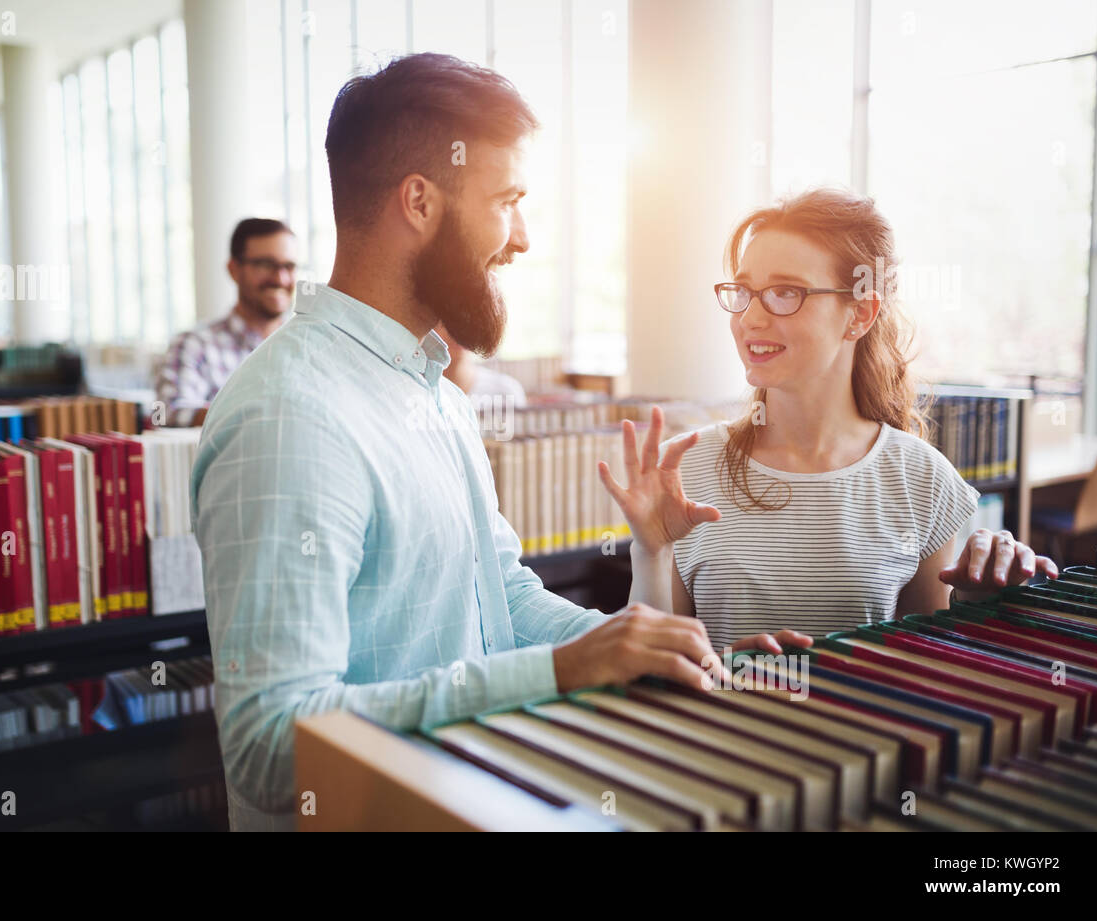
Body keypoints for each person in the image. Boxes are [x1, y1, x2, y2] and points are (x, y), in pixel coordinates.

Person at [189, 53, 806, 831]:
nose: (519, 238)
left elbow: (502, 600)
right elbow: (271, 745)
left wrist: (665, 648)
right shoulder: (289, 417)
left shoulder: (436, 396)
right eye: (507, 201)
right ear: (420, 201)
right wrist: (561, 669)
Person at [601, 188, 1058, 651]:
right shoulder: (687, 467)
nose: (750, 318)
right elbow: (653, 665)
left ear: (859, 314)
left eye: (784, 293)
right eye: (744, 292)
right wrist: (651, 552)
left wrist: (978, 598)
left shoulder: (922, 478)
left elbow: (924, 667)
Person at [154, 218, 297, 426]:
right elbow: (165, 413)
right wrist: (259, 414)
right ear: (234, 269)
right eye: (265, 265)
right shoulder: (195, 344)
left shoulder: (308, 345)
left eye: (289, 266)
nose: (280, 279)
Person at [436, 322, 527, 408]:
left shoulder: (506, 392)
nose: (458, 330)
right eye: (444, 321)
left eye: (466, 319)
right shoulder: (423, 396)